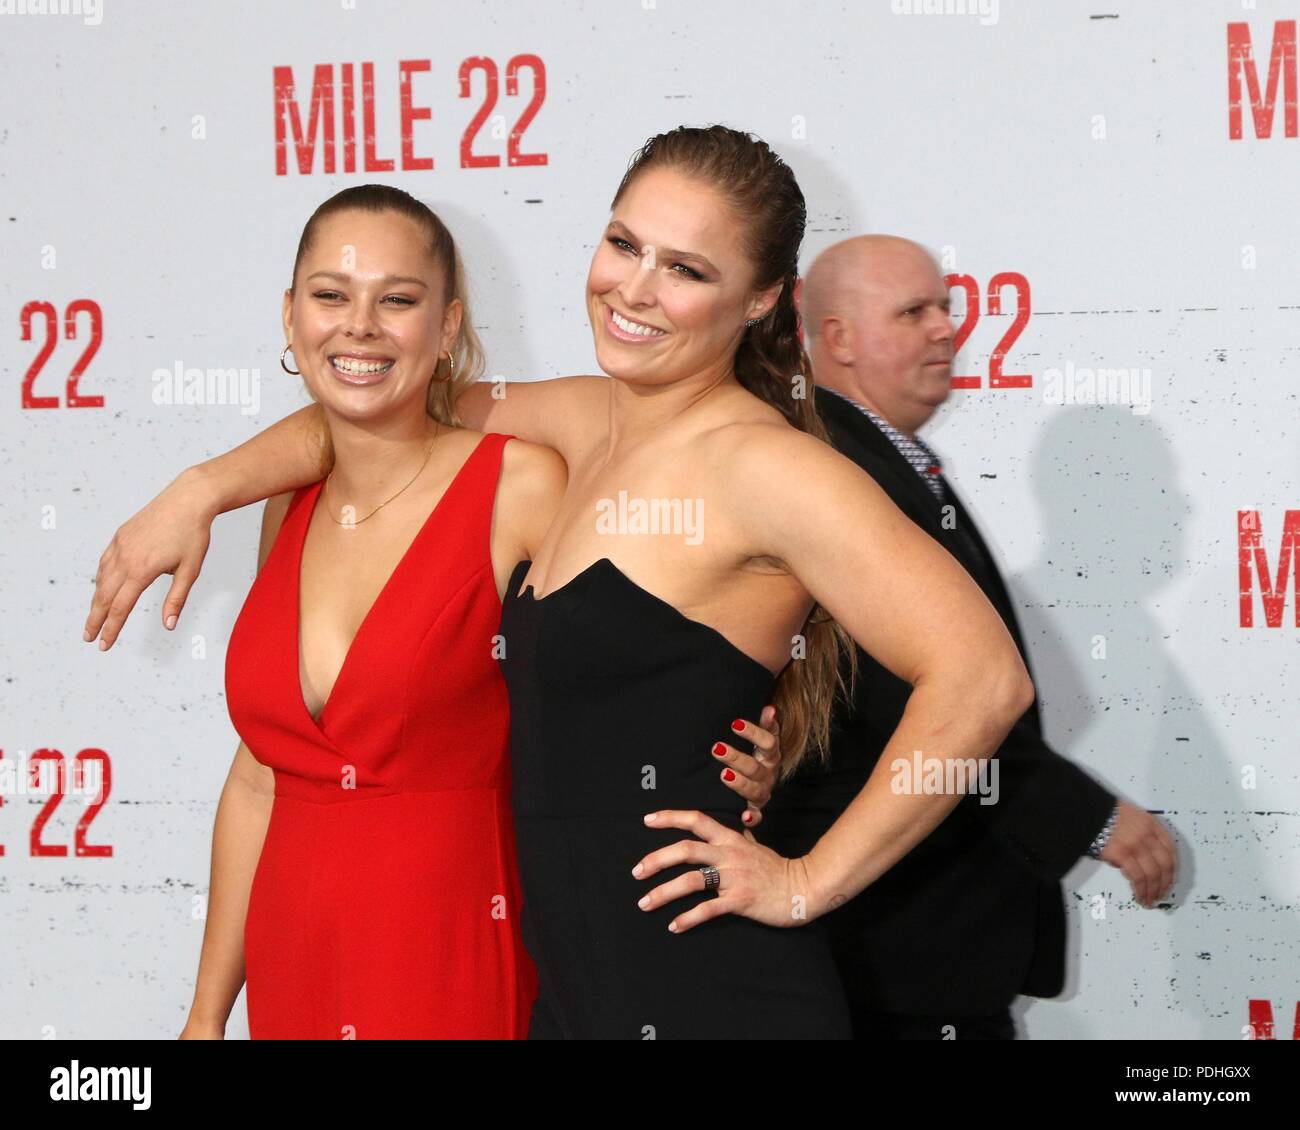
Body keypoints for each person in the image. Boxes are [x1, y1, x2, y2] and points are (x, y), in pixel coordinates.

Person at [87, 127, 1035, 1039]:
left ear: (760, 300)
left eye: (687, 269)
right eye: (625, 243)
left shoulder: (765, 469)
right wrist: (202, 489)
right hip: (569, 994)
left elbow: (984, 680)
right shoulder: (578, 422)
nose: (636, 288)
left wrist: (804, 882)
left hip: (712, 990)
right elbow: (370, 397)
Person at [164, 183, 782, 1040]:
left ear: (449, 326)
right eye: (332, 296)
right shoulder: (288, 502)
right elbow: (258, 779)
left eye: (400, 300)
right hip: (292, 962)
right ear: (291, 314)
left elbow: (632, 654)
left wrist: (747, 744)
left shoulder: (519, 484)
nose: (360, 326)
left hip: (452, 953)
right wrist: (203, 1017)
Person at [761, 234, 1178, 1040]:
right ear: (837, 338)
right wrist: (1086, 815)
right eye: (913, 311)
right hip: (888, 953)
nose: (946, 329)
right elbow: (915, 693)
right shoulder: (836, 469)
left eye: (944, 308)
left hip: (915, 949)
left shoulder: (889, 463)